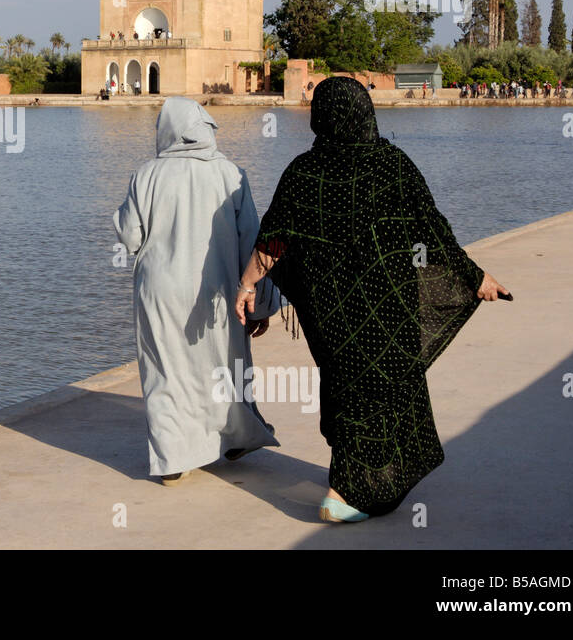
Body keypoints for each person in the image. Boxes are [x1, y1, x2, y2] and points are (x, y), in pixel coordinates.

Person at [234, 77, 509, 523]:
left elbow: (274, 243)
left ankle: (353, 483)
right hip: (388, 305)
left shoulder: (302, 172)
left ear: (320, 117)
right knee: (384, 389)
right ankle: (346, 492)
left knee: (349, 389)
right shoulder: (392, 165)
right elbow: (433, 232)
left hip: (332, 312)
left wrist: (247, 288)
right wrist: (476, 278)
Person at [115, 98, 281, 486]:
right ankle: (237, 437)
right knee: (224, 363)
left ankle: (174, 458)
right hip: (219, 291)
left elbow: (129, 236)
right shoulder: (230, 174)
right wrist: (259, 302)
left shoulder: (146, 175)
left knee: (167, 371)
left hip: (160, 289)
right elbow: (252, 243)